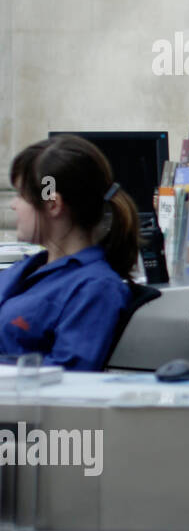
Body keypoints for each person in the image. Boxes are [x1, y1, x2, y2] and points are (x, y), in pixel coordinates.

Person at [1, 135, 140, 370]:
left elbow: (69, 377)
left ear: (52, 204)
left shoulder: (95, 288)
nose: (13, 205)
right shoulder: (28, 269)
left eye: (21, 195)